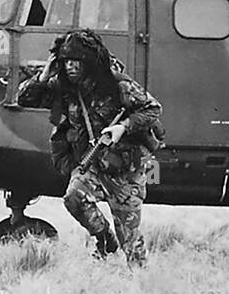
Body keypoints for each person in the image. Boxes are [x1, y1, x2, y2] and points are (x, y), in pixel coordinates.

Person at [17, 29, 162, 266]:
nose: (71, 67)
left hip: (126, 171)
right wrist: (44, 76)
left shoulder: (116, 85)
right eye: (66, 62)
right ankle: (105, 238)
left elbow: (152, 109)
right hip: (92, 164)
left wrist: (123, 127)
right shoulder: (63, 87)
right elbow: (24, 98)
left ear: (89, 62)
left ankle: (140, 284)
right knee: (74, 197)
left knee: (131, 241)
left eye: (76, 61)